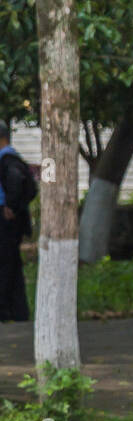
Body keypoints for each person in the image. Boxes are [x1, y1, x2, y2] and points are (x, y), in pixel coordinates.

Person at [0, 121, 34, 323]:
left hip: (6, 221)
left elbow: (17, 181)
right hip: (8, 221)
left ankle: (6, 311)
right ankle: (17, 311)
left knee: (6, 265)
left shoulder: (8, 159)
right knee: (11, 264)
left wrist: (11, 206)